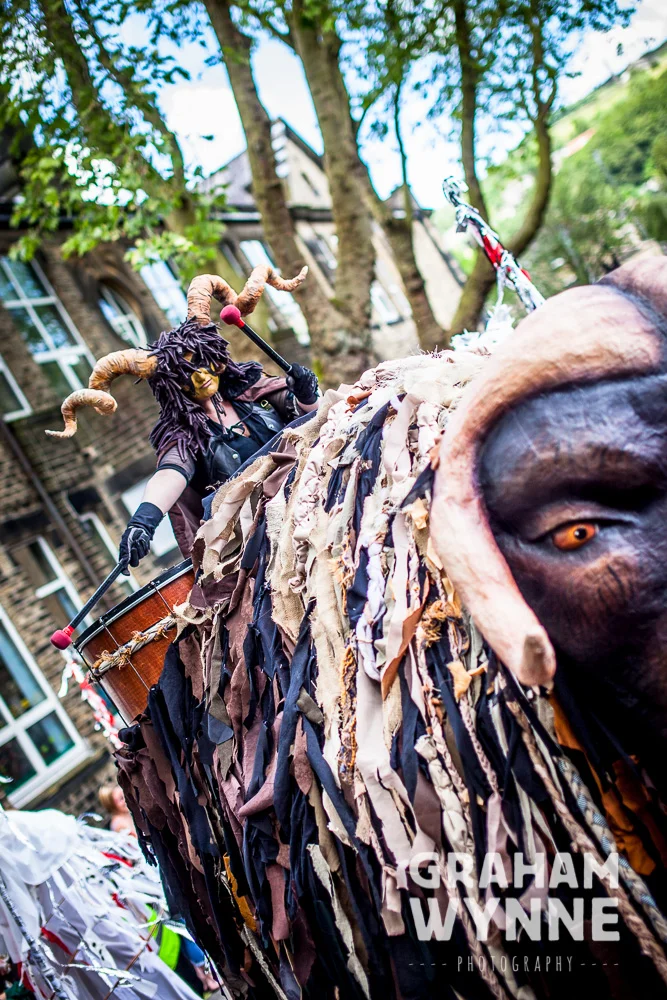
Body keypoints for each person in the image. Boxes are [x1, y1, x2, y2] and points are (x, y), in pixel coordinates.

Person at [45, 266, 320, 566]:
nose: (200, 376)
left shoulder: (251, 390)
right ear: (170, 385)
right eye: (185, 374)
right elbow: (170, 475)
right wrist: (143, 521)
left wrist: (306, 395)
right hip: (264, 535)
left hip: (311, 490)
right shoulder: (185, 434)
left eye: (202, 364)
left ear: (215, 359)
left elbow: (313, 419)